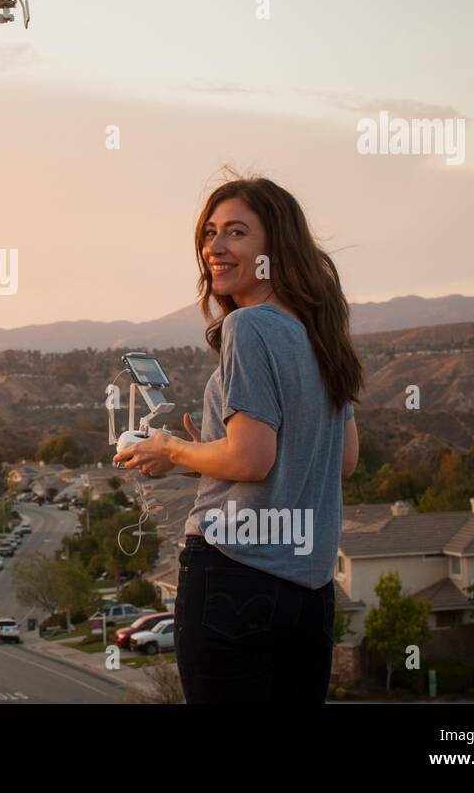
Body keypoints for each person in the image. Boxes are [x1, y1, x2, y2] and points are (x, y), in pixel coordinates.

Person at [115, 175, 362, 703]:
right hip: (310, 593)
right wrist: (198, 457)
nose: (215, 248)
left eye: (236, 233)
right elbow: (342, 460)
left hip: (235, 578)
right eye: (209, 233)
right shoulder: (321, 334)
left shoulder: (248, 327)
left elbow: (251, 459)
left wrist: (169, 448)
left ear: (275, 246)